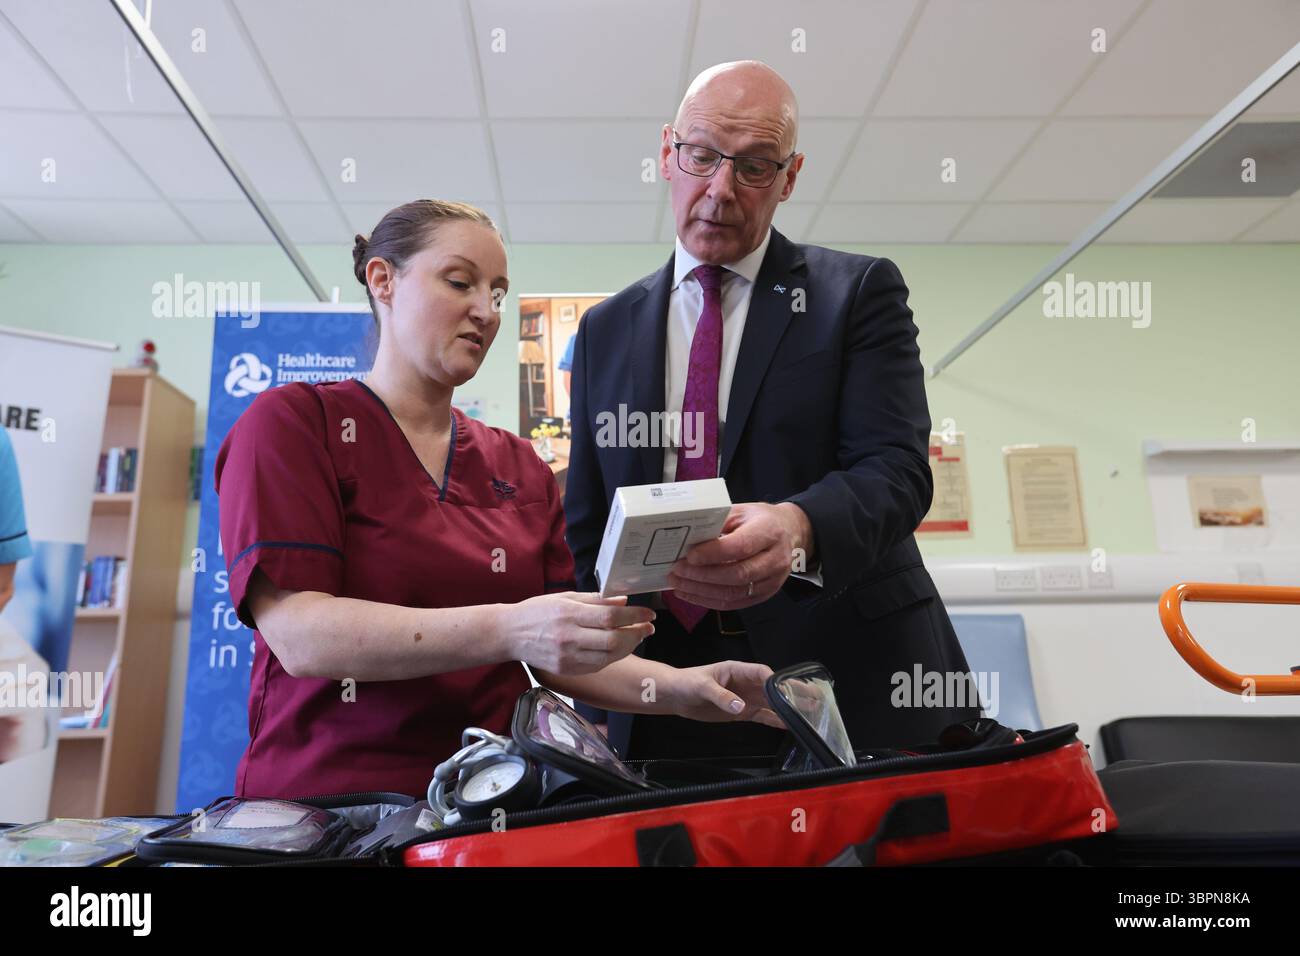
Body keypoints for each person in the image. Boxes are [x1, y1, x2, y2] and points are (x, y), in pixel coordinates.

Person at [215, 200, 781, 800]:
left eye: (499, 293)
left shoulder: (520, 467)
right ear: (383, 280)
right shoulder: (295, 426)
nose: (486, 311)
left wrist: (685, 688)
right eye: (460, 282)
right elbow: (301, 635)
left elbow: (557, 653)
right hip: (331, 809)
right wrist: (511, 626)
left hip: (488, 803)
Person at [564, 62, 981, 761]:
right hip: (668, 686)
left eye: (755, 167)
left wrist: (799, 525)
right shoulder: (606, 328)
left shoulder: (856, 293)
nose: (721, 191)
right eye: (701, 156)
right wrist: (596, 691)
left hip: (849, 667)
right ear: (668, 153)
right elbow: (587, 523)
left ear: (790, 178)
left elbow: (898, 472)